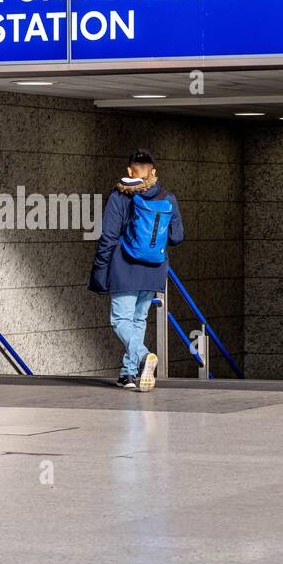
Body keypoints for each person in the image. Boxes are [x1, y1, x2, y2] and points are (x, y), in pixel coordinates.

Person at [88, 149, 184, 392]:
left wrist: (101, 268)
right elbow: (177, 237)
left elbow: (108, 236)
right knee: (138, 319)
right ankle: (128, 374)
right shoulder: (167, 197)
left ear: (130, 171)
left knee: (120, 320)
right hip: (155, 269)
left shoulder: (121, 195)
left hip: (125, 267)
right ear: (153, 171)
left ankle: (143, 355)